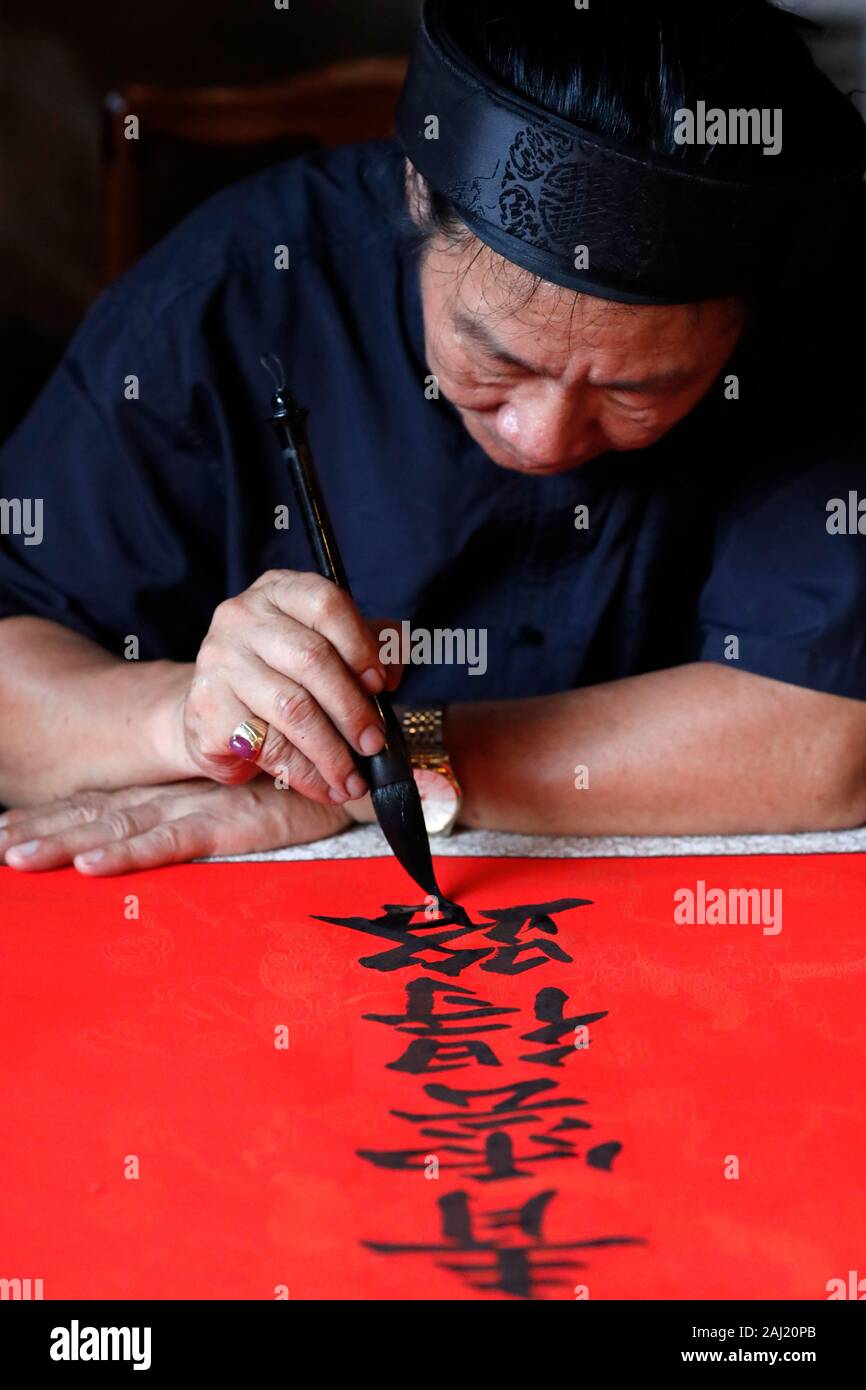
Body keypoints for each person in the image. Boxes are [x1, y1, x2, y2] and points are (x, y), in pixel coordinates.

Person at [1, 0, 865, 875]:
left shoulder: (809, 329)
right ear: (417, 187)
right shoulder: (232, 295)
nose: (543, 439)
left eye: (637, 388)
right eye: (495, 363)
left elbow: (827, 738)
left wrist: (377, 770)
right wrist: (199, 720)